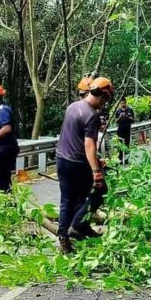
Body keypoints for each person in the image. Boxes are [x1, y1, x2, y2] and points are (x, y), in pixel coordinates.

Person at [54, 76, 113, 253]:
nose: (104, 104)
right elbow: (89, 145)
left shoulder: (73, 107)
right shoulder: (92, 115)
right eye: (105, 100)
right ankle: (78, 225)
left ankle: (65, 238)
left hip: (61, 158)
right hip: (78, 163)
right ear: (102, 96)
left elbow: (73, 136)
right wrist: (96, 171)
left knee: (69, 200)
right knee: (99, 192)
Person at [113, 95, 136, 163]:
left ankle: (126, 159)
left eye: (124, 103)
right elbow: (116, 121)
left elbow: (133, 120)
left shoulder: (130, 110)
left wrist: (127, 116)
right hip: (120, 129)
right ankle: (120, 158)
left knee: (126, 144)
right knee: (120, 144)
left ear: (126, 103)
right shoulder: (118, 111)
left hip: (127, 129)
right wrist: (120, 117)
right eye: (121, 103)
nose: (122, 104)